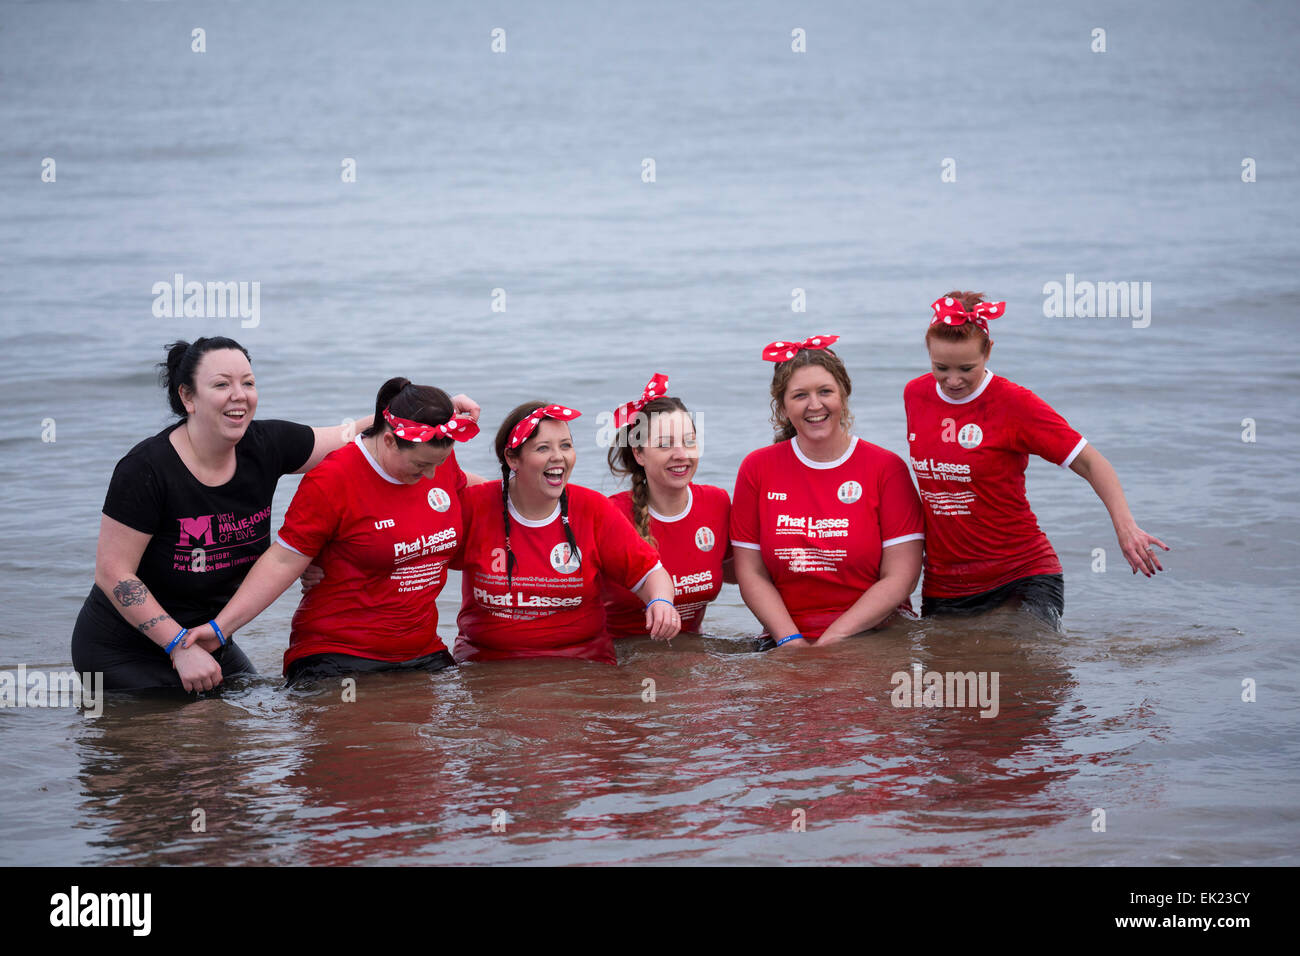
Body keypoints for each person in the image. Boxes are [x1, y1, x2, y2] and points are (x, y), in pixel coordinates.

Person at [70, 337, 391, 693]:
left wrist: (431, 413)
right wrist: (177, 646)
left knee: (262, 708)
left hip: (210, 640)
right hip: (124, 651)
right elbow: (113, 573)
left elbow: (350, 437)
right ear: (188, 397)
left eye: (248, 383)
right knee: (198, 734)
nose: (239, 394)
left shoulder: (265, 444)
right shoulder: (146, 469)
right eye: (222, 384)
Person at [182, 378, 480, 685]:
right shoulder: (332, 480)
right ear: (389, 440)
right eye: (420, 466)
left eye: (438, 464)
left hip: (422, 651)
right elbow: (282, 561)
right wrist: (220, 629)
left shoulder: (436, 459)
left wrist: (524, 480)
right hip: (338, 655)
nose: (430, 475)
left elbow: (473, 491)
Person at [904, 291, 1168, 626]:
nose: (953, 380)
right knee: (952, 676)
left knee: (1030, 669)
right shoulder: (915, 394)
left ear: (988, 351)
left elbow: (1090, 462)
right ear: (928, 353)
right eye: (941, 367)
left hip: (1021, 576)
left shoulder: (1014, 404)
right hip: (946, 586)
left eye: (966, 368)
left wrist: (1126, 527)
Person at [731, 335, 926, 649]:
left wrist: (835, 639)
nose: (815, 405)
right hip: (785, 636)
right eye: (799, 395)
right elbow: (750, 572)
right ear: (782, 407)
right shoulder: (757, 469)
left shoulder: (886, 468)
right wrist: (791, 640)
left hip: (874, 633)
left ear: (843, 396)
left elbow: (901, 578)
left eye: (825, 391)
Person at [454, 401, 681, 664]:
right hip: (487, 664)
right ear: (512, 458)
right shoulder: (475, 506)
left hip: (581, 663)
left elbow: (651, 573)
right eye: (543, 448)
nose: (558, 457)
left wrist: (660, 603)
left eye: (566, 445)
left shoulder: (593, 509)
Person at [601, 374, 733, 637]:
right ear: (639, 453)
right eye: (664, 445)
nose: (682, 455)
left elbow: (748, 573)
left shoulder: (716, 503)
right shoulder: (610, 515)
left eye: (689, 441)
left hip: (691, 654)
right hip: (619, 658)